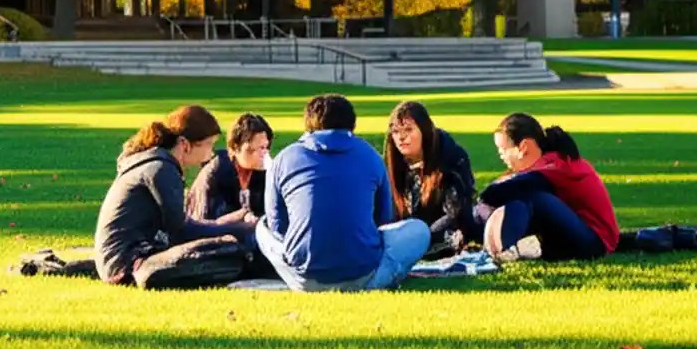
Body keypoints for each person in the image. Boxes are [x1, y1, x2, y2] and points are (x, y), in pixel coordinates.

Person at [256, 94, 430, 292]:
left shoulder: (284, 159)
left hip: (303, 279)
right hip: (362, 275)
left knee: (262, 227)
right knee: (419, 230)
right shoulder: (370, 156)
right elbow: (384, 220)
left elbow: (277, 226)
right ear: (351, 124)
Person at [94, 105, 253, 287]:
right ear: (185, 144)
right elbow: (182, 231)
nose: (212, 152)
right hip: (130, 263)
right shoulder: (162, 169)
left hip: (119, 260)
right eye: (209, 144)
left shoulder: (156, 164)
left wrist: (226, 222)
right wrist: (243, 229)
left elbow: (180, 224)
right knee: (230, 251)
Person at [479, 113, 619, 263]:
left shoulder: (556, 165)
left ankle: (505, 248)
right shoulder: (550, 163)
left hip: (595, 243)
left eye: (503, 150)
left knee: (534, 198)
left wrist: (485, 201)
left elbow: (498, 192)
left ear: (523, 147)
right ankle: (502, 245)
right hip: (580, 237)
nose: (501, 156)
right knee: (522, 199)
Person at [384, 101, 478, 258]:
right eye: (395, 131)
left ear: (424, 130)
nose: (401, 137)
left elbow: (456, 213)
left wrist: (421, 238)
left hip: (443, 231)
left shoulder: (450, 159)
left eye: (408, 130)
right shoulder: (393, 164)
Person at [186, 113, 274, 222]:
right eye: (253, 149)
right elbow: (208, 221)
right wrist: (243, 216)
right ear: (236, 148)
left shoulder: (262, 174)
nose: (263, 154)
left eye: (265, 148)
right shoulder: (218, 172)